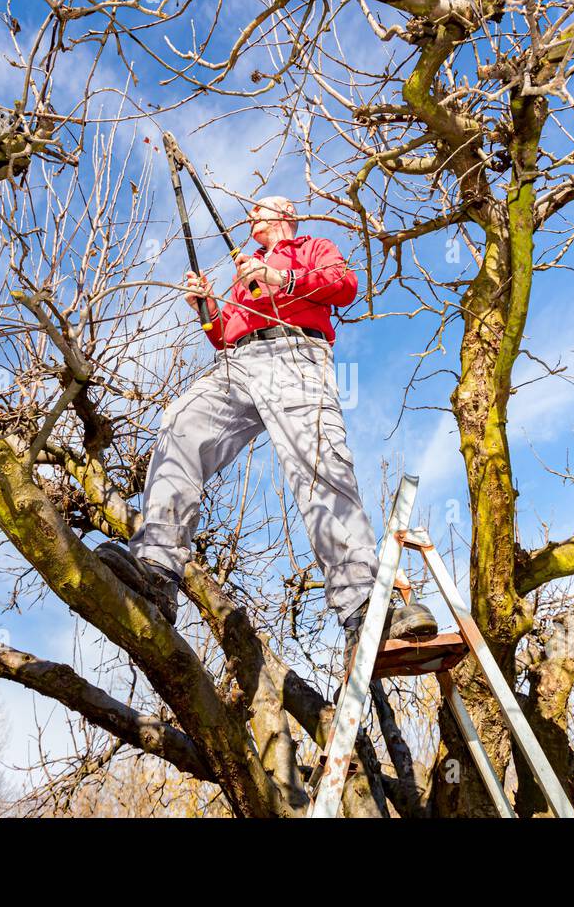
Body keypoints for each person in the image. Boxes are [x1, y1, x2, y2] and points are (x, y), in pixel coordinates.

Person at [95, 195, 435, 665]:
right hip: (237, 363)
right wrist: (207, 307)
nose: (251, 214)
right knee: (179, 425)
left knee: (319, 465)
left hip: (295, 355)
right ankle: (157, 566)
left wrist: (282, 278)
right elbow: (224, 332)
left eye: (260, 208)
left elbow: (344, 284)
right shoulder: (245, 269)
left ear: (286, 216)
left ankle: (364, 608)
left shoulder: (312, 247)